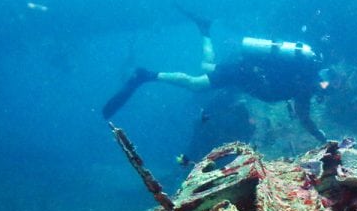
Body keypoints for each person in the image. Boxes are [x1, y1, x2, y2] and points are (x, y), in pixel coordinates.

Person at [102, 11, 328, 143]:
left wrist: (323, 139)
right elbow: (304, 116)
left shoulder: (303, 83)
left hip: (243, 74)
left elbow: (304, 117)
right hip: (241, 73)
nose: (324, 90)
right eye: (327, 86)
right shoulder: (303, 85)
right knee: (196, 84)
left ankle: (204, 29)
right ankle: (147, 75)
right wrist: (323, 139)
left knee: (206, 66)